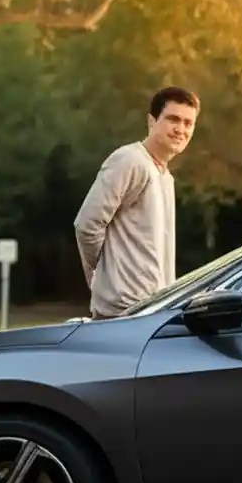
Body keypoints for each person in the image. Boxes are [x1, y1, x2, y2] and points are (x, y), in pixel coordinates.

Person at [73, 86, 199, 319]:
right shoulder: (130, 160)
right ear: (152, 121)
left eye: (188, 123)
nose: (180, 129)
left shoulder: (164, 176)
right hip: (123, 313)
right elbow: (88, 224)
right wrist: (102, 274)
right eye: (173, 119)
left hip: (152, 311)